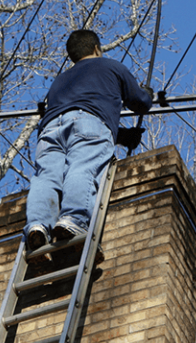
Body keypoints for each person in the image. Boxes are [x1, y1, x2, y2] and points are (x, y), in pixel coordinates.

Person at [24, 29, 153, 251]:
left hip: (50, 130)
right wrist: (147, 93)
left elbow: (73, 117)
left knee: (46, 178)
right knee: (83, 167)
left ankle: (37, 225)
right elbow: (139, 102)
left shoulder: (60, 81)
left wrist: (122, 136)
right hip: (89, 123)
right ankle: (74, 219)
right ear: (96, 48)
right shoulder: (111, 67)